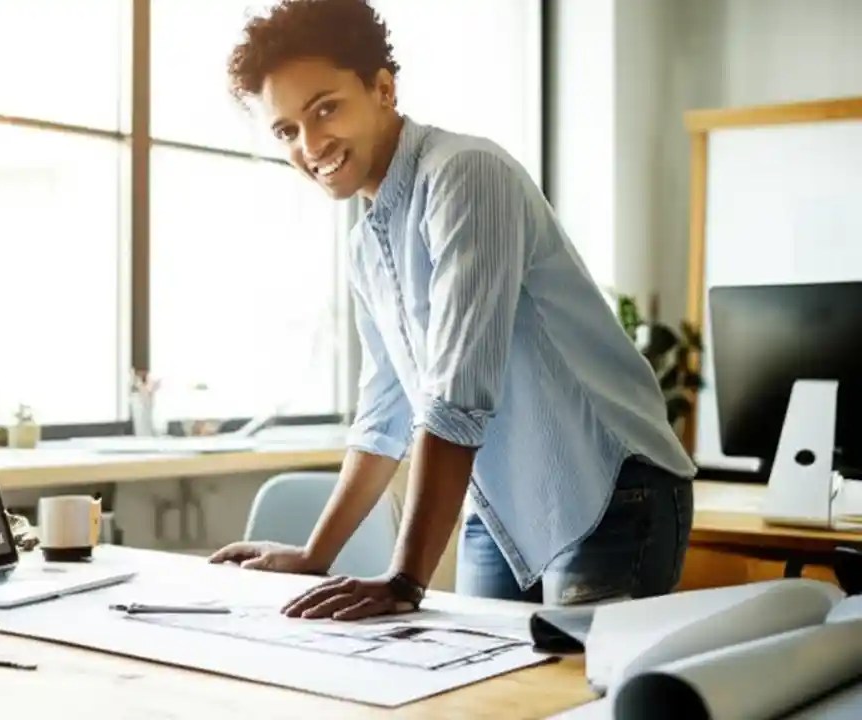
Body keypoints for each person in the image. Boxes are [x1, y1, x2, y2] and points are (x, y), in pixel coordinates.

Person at [208, 0, 696, 620]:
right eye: (286, 131)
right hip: (503, 504)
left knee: (579, 700)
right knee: (480, 695)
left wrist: (406, 578)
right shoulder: (367, 240)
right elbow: (384, 412)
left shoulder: (465, 176)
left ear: (382, 88)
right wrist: (315, 554)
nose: (311, 145)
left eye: (325, 108)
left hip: (611, 489)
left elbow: (456, 394)